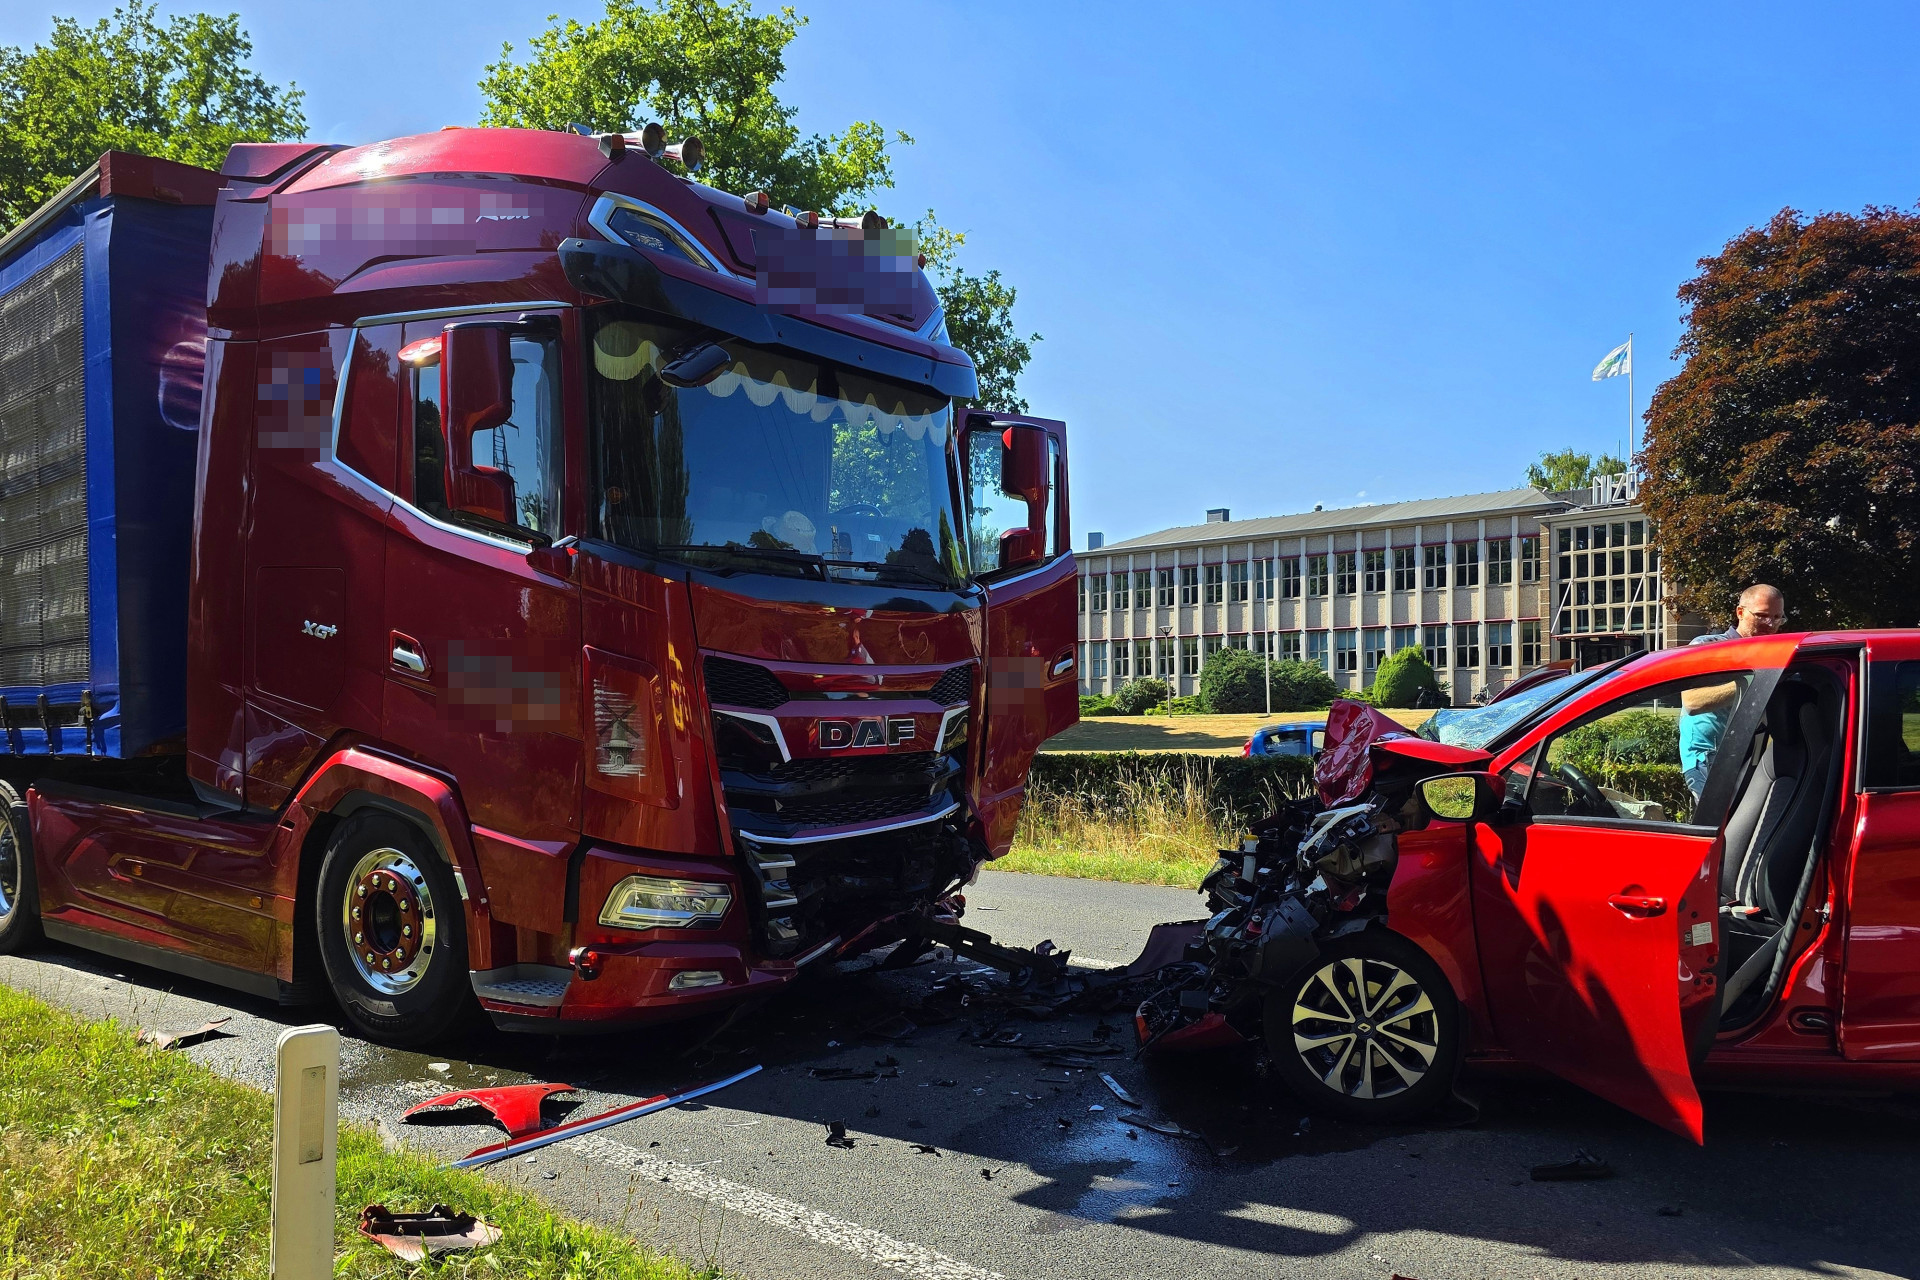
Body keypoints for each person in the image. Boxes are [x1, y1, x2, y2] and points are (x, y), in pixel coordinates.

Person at [1679, 584, 1788, 798]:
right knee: (1718, 828)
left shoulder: (1772, 653)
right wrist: (1758, 681)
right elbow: (1692, 702)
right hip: (1708, 758)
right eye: (1762, 616)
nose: (1770, 624)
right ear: (1740, 612)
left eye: (1777, 618)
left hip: (1751, 756)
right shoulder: (1708, 646)